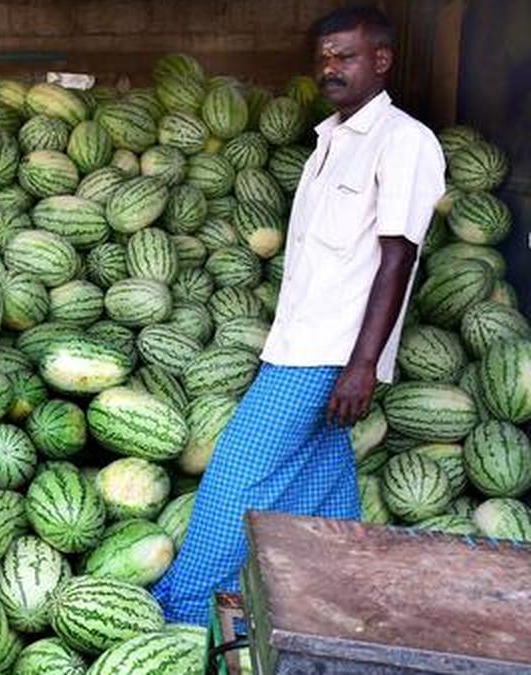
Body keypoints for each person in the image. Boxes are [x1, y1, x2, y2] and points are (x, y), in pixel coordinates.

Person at [151, 6, 446, 625]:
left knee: (236, 471)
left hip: (328, 354)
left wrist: (363, 364)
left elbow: (398, 258)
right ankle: (342, 606)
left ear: (382, 60)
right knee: (322, 490)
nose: (332, 67)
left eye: (348, 56)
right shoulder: (328, 142)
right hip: (298, 345)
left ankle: (181, 614)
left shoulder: (404, 142)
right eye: (326, 57)